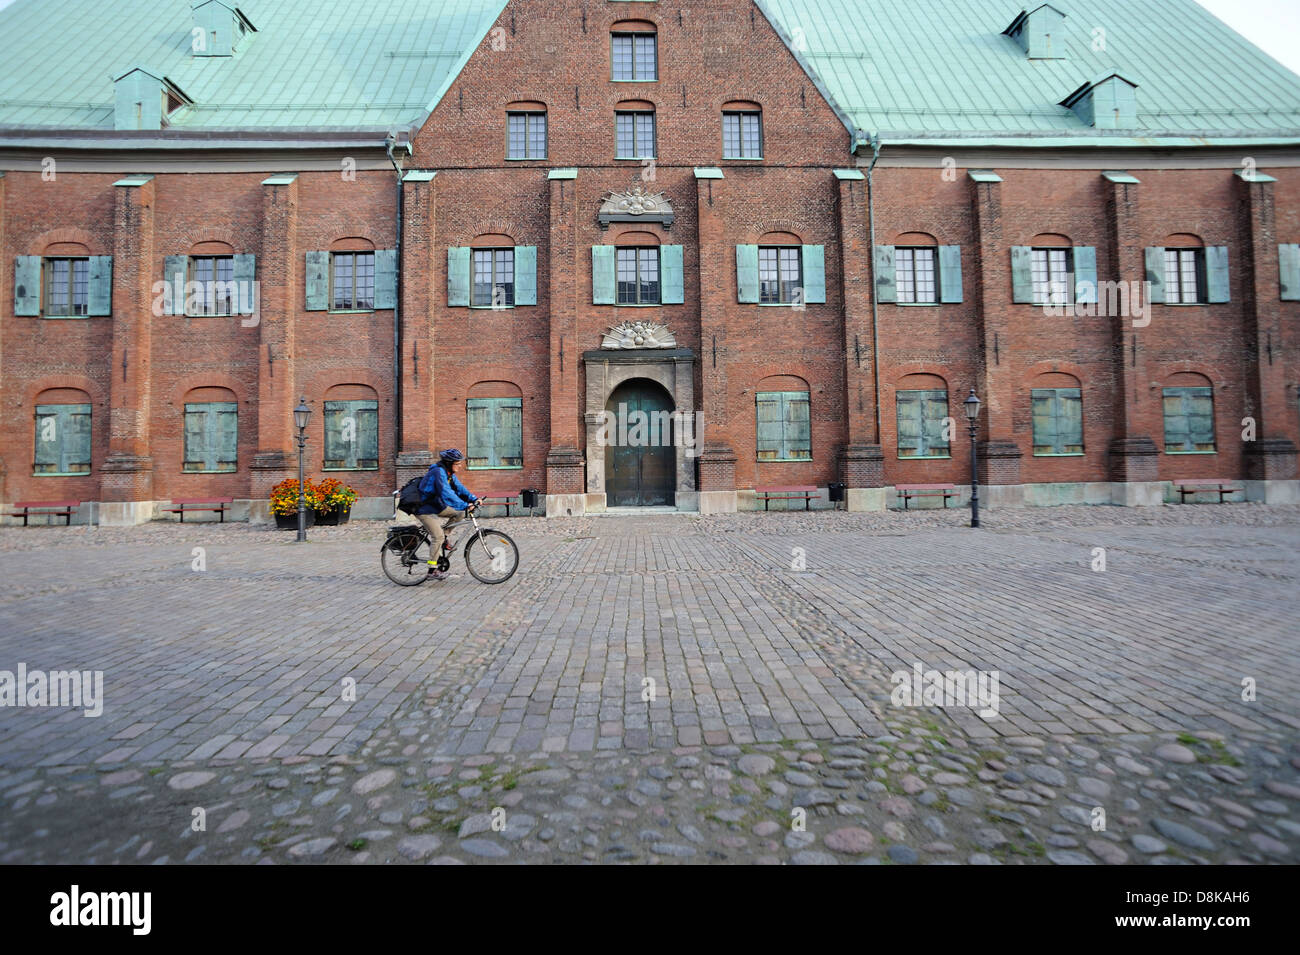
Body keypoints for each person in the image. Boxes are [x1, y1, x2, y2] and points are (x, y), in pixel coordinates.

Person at [416, 448, 479, 580]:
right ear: (449, 463)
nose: (460, 466)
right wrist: (465, 504)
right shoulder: (438, 472)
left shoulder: (449, 473)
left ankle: (445, 537)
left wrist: (473, 498)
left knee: (459, 514)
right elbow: (446, 492)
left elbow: (459, 488)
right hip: (423, 508)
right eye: (457, 463)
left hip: (435, 506)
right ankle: (432, 570)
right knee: (437, 536)